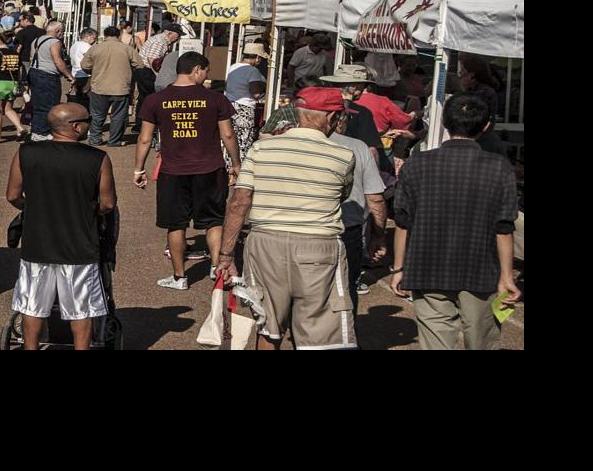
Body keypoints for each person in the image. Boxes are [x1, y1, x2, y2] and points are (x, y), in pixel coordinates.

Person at [212, 87, 357, 350]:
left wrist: (226, 255)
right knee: (321, 333)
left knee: (268, 326)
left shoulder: (261, 148)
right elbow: (341, 196)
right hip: (319, 245)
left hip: (265, 244)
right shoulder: (343, 156)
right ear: (331, 118)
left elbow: (239, 202)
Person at [386, 94, 520, 351]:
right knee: (481, 339)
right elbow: (504, 227)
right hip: (480, 270)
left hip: (426, 267)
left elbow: (403, 220)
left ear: (446, 123)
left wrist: (398, 268)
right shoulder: (498, 167)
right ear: (486, 126)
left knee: (435, 340)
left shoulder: (418, 163)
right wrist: (506, 276)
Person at [5, 103, 117, 350]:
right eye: (87, 120)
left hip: (37, 241)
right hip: (79, 244)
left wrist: (34, 208)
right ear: (76, 127)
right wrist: (86, 211)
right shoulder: (97, 158)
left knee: (32, 304)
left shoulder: (26, 152)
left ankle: (30, 347)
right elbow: (107, 203)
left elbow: (13, 195)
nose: (90, 124)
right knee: (81, 308)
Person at [135, 53, 238, 290]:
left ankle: (180, 277)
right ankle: (216, 269)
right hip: (210, 168)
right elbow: (228, 134)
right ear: (197, 70)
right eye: (206, 71)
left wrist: (138, 168)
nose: (207, 76)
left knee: (176, 223)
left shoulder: (155, 100)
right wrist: (236, 163)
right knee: (214, 220)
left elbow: (144, 138)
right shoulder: (215, 99)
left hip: (173, 170)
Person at [327, 106, 390, 302]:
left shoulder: (285, 141)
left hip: (298, 231)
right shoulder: (358, 146)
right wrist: (378, 235)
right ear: (338, 120)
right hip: (346, 230)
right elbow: (376, 198)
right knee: (346, 290)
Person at [79, 25, 142, 148]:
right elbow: (139, 64)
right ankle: (114, 141)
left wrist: (95, 70)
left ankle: (95, 139)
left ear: (105, 35)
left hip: (99, 87)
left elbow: (84, 65)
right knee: (118, 116)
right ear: (119, 36)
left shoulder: (95, 48)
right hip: (121, 88)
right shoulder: (127, 49)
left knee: (97, 115)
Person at [27, 20, 69, 141]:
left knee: (38, 103)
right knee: (49, 104)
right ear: (57, 31)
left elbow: (31, 57)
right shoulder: (54, 42)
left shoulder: (37, 40)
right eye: (62, 31)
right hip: (47, 75)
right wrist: (68, 75)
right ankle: (42, 131)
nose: (62, 34)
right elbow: (58, 60)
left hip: (34, 72)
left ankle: (37, 129)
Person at [0, 31, 27, 142]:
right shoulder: (15, 54)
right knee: (8, 109)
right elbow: (19, 71)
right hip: (12, 83)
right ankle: (20, 128)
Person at [68, 28, 96, 104]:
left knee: (79, 95)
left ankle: (79, 111)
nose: (94, 40)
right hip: (85, 74)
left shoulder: (75, 45)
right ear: (88, 36)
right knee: (86, 96)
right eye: (93, 38)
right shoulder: (85, 46)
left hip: (75, 73)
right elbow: (90, 58)